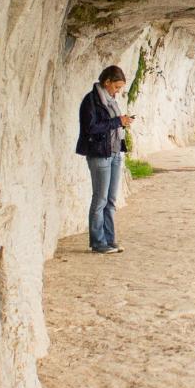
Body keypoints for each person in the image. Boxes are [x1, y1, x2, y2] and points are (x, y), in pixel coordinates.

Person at [75, 64, 133, 253]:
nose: (118, 91)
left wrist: (123, 122)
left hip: (114, 153)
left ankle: (109, 239)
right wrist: (117, 121)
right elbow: (90, 128)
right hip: (99, 154)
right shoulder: (91, 100)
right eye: (116, 87)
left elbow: (110, 125)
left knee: (111, 200)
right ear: (107, 82)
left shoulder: (111, 100)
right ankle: (98, 242)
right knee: (100, 199)